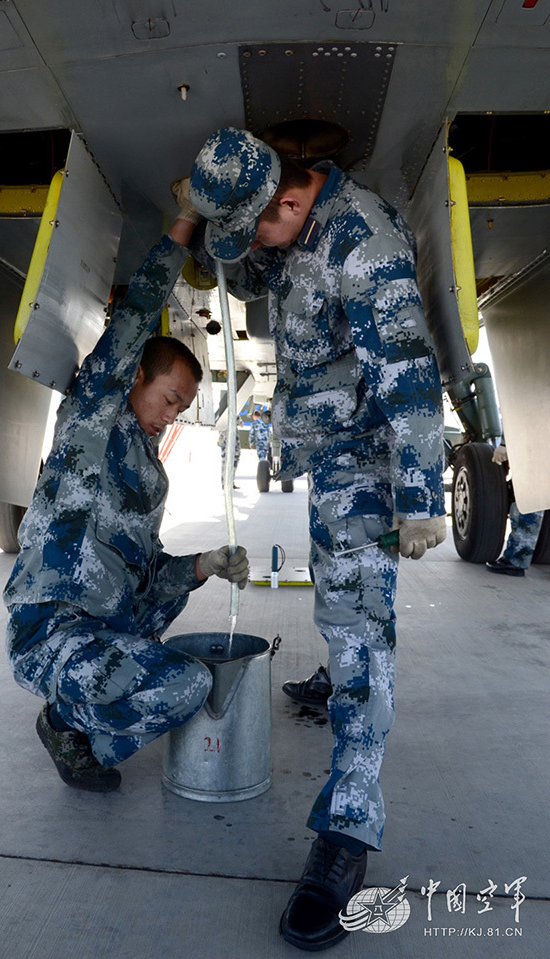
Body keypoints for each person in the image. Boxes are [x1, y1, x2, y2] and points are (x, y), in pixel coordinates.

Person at [188, 127, 446, 951]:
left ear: (290, 201)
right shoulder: (302, 229)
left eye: (260, 225)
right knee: (345, 625)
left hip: (367, 471)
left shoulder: (361, 244)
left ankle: (347, 832)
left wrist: (419, 499)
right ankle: (338, 690)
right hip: (332, 465)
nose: (258, 243)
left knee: (362, 640)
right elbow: (267, 265)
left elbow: (409, 374)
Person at [3, 203, 249, 793]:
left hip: (108, 624)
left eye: (182, 410)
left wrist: (204, 565)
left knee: (176, 632)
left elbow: (145, 579)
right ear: (136, 375)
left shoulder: (149, 473)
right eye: (168, 399)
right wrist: (186, 222)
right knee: (188, 686)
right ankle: (65, 723)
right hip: (55, 629)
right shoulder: (96, 417)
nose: (171, 417)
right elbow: (137, 312)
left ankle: (83, 718)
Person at [486, 444, 544, 577]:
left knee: (528, 499)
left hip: (536, 446)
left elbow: (525, 422)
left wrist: (505, 444)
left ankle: (516, 560)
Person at [218, 417, 242, 488]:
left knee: (234, 462)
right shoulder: (223, 415)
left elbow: (240, 422)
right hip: (227, 441)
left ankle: (230, 482)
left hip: (234, 442)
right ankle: (224, 483)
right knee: (226, 462)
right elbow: (240, 422)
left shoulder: (235, 413)